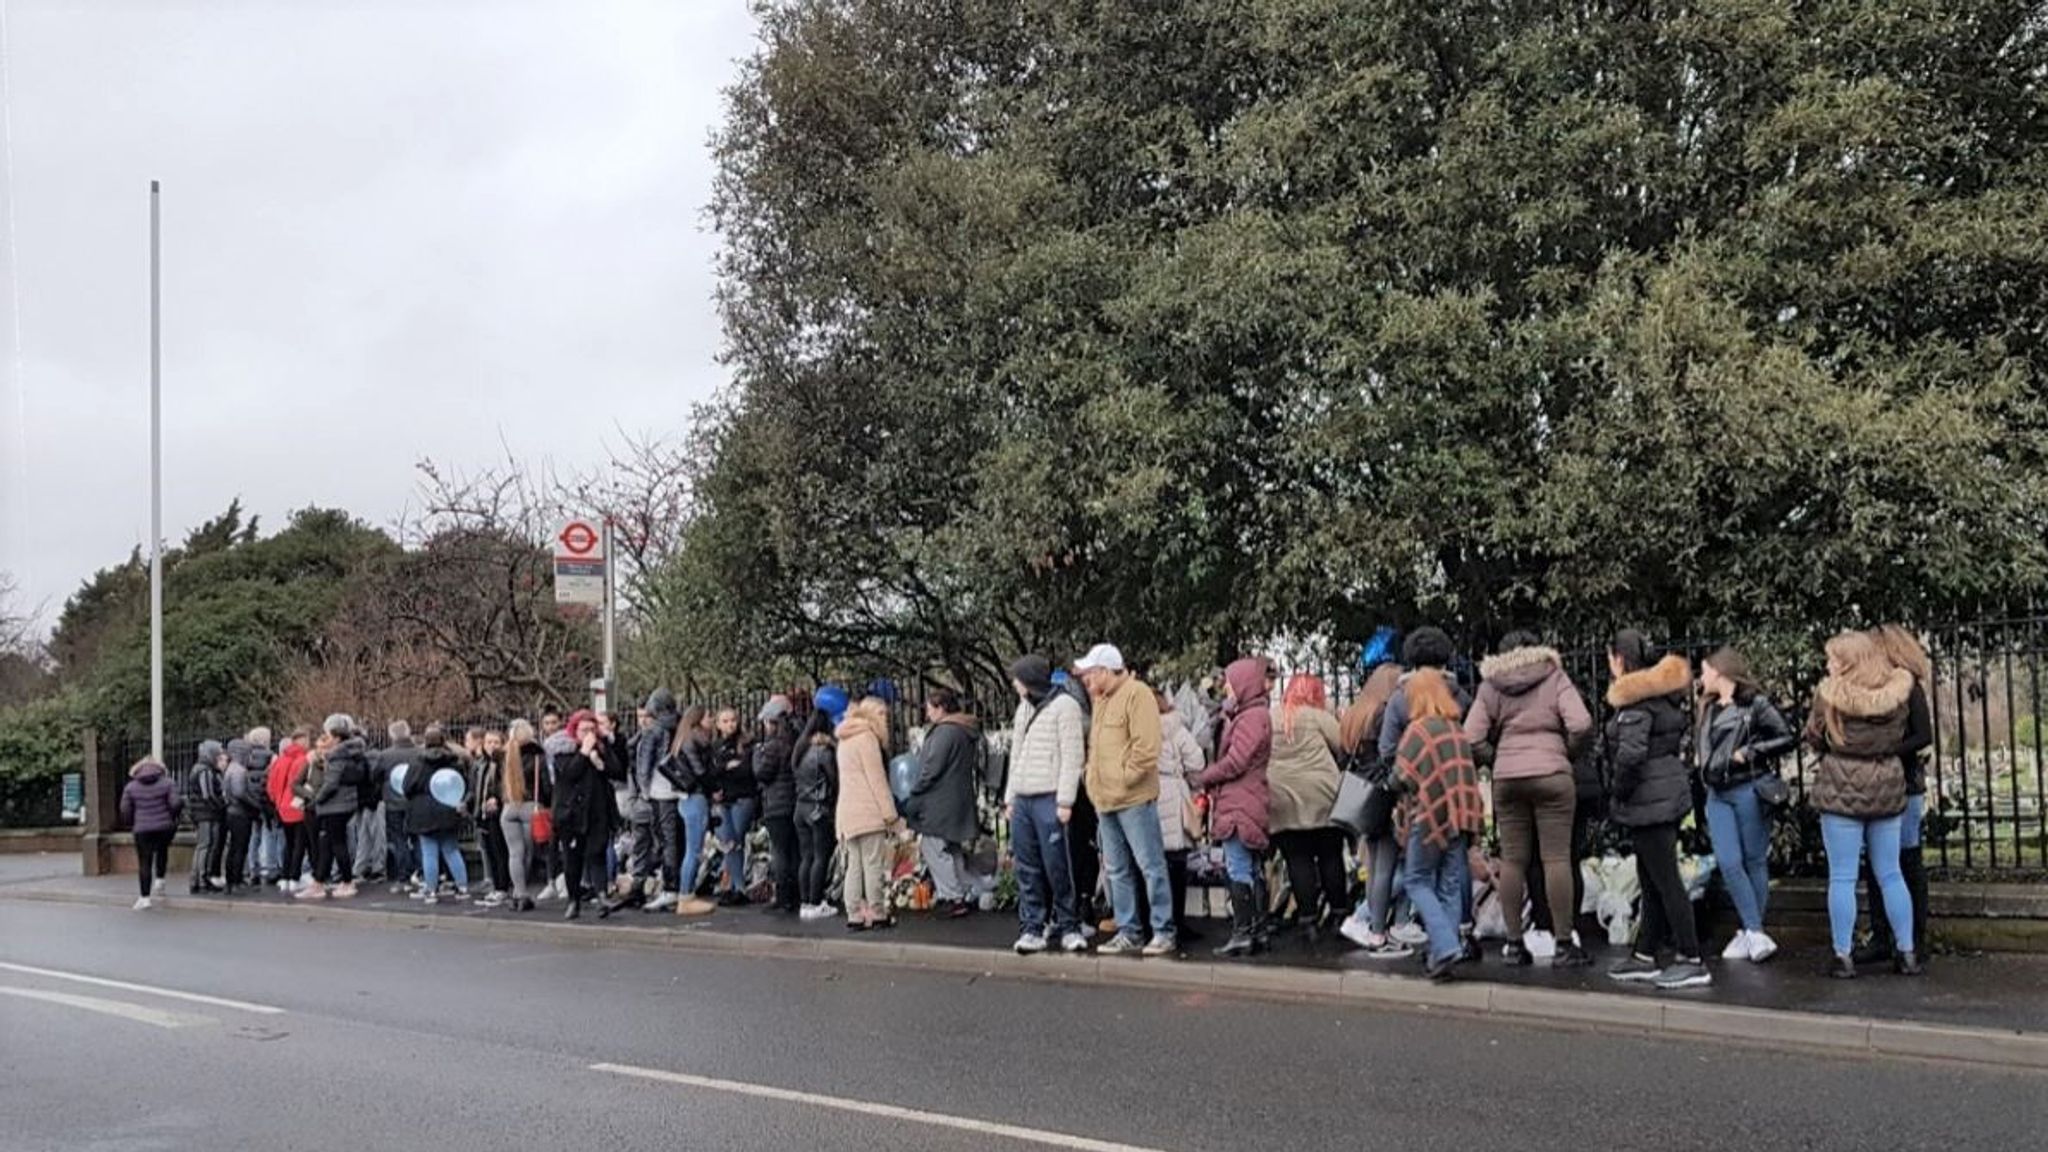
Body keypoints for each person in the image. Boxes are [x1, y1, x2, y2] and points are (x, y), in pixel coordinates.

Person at [1464, 632, 1595, 967]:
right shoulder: (1554, 676)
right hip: (1552, 774)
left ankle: (1514, 945)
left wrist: (1498, 758)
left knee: (1512, 860)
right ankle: (1563, 944)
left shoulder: (1491, 684)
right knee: (1556, 858)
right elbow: (1581, 724)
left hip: (1508, 778)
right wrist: (1564, 753)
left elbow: (1471, 736)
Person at [1804, 631, 1921, 978]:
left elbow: (1815, 736)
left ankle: (1843, 955)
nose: (1828, 665)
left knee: (1842, 877)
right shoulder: (1897, 693)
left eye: (1833, 659)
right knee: (1891, 873)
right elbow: (1904, 735)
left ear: (1848, 662)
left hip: (1841, 788)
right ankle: (1907, 952)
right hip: (1886, 786)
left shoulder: (1829, 696)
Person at [1602, 632, 1709, 990]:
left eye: (1610, 657)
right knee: (1650, 879)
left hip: (1649, 800)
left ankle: (1691, 957)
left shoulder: (1635, 702)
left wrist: (1618, 791)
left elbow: (1631, 756)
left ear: (1619, 659)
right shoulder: (1660, 698)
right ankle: (1645, 953)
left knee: (1666, 880)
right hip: (1665, 794)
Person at [1376, 628, 1473, 955]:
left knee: (1417, 877)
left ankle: (1444, 945)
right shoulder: (1459, 700)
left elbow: (1387, 752)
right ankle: (1453, 941)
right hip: (1459, 798)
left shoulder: (1402, 702)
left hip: (1421, 802)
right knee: (1451, 879)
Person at [1076, 644, 1177, 957]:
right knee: (1117, 869)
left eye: (1090, 673)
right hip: (1107, 800)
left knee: (1149, 866)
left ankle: (1163, 931)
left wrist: (1120, 780)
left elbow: (1146, 749)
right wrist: (1094, 781)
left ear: (1105, 671)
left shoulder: (1137, 694)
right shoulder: (1102, 699)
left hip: (1132, 798)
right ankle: (1130, 931)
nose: (1085, 679)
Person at [1695, 647, 1795, 963]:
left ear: (1720, 672)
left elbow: (1786, 737)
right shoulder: (1707, 707)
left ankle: (1750, 930)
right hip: (1718, 792)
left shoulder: (1755, 704)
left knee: (1754, 860)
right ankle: (1754, 932)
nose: (1701, 677)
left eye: (1705, 670)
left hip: (1749, 788)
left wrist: (1749, 753)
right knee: (1728, 861)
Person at [1391, 670, 1486, 981]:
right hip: (1459, 816)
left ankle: (1444, 946)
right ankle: (1443, 953)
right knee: (1449, 885)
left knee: (1417, 880)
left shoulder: (1418, 731)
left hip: (1429, 815)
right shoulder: (1456, 730)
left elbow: (1400, 777)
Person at [1858, 624, 1933, 967]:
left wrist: (1888, 750)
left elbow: (1923, 735)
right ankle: (1882, 935)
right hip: (1878, 785)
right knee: (1876, 861)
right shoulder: (1876, 689)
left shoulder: (1909, 688)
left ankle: (1914, 938)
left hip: (1905, 784)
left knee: (1906, 859)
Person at [1004, 656, 1087, 953]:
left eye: (1018, 678)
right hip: (1024, 798)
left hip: (1050, 796)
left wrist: (1065, 800)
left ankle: (1069, 925)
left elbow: (1072, 756)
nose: (1015, 684)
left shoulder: (1066, 707)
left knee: (1058, 865)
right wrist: (1010, 797)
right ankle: (1033, 928)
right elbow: (1016, 756)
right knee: (1027, 867)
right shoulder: (1024, 709)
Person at [1196, 657, 1273, 957]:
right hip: (1248, 799)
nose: (1226, 689)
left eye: (1230, 684)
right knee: (1251, 868)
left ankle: (1243, 933)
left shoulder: (1250, 718)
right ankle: (1258, 930)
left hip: (1240, 802)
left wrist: (1205, 777)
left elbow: (1236, 761)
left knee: (1238, 866)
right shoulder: (1252, 714)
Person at [1267, 673, 1350, 937]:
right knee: (1330, 855)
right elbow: (1344, 745)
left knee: (1297, 858)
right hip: (1322, 795)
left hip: (1282, 797)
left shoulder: (1272, 717)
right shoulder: (1317, 716)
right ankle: (1338, 913)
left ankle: (1308, 918)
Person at [1337, 661, 1410, 957]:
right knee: (1386, 867)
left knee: (1376, 865)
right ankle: (1377, 931)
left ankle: (1374, 928)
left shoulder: (1356, 713)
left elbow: (1343, 757)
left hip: (1360, 796)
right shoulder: (1384, 712)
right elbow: (1390, 755)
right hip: (1383, 794)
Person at [906, 687, 983, 919]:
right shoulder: (964, 729)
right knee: (952, 848)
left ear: (941, 708)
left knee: (933, 847)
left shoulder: (944, 732)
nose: (928, 713)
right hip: (958, 797)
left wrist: (916, 789)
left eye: (930, 708)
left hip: (940, 801)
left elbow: (932, 768)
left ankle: (953, 896)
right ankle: (966, 890)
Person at [550, 709, 625, 920]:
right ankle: (573, 900)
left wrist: (601, 763)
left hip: (597, 810)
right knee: (572, 859)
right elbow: (569, 774)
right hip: (572, 812)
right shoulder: (563, 750)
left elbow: (617, 771)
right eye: (584, 730)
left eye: (592, 729)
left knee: (597, 853)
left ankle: (602, 896)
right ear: (575, 730)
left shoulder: (602, 747)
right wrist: (584, 753)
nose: (589, 734)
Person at [836, 696, 901, 930]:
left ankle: (854, 914)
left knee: (854, 865)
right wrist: (890, 814)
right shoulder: (867, 738)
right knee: (873, 864)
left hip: (847, 810)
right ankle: (877, 912)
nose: (885, 719)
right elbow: (877, 780)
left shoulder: (845, 738)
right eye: (881, 713)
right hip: (868, 809)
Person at [1148, 686, 1204, 944]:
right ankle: (1178, 923)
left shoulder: (1137, 728)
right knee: (1176, 866)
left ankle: (1153, 922)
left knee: (1150, 866)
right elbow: (1197, 761)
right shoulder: (1176, 728)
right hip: (1173, 793)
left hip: (1147, 792)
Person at [401, 725, 470, 904]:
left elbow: (407, 787)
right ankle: (462, 887)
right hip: (448, 807)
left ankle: (431, 890)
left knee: (429, 852)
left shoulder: (417, 762)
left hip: (423, 811)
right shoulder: (453, 761)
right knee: (451, 849)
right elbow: (462, 784)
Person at [302, 714, 368, 900]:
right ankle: (319, 882)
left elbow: (331, 784)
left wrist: (317, 800)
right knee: (328, 844)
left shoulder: (338, 756)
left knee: (337, 844)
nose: (325, 739)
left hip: (335, 805)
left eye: (328, 736)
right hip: (342, 803)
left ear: (337, 738)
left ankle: (347, 882)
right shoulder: (350, 753)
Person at [752, 695, 801, 914]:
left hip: (776, 803)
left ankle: (783, 897)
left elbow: (762, 773)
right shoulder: (796, 741)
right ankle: (797, 893)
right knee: (794, 850)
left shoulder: (772, 746)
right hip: (793, 801)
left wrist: (756, 754)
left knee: (779, 851)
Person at [669, 706, 719, 917]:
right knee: (694, 850)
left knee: (693, 849)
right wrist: (715, 787)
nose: (712, 719)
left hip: (687, 797)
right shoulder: (695, 741)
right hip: (696, 797)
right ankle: (686, 896)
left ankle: (687, 894)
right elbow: (701, 772)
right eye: (709, 716)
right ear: (698, 720)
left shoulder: (683, 739)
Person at [792, 706, 840, 921]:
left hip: (801, 806)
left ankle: (805, 902)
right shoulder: (824, 752)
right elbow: (833, 780)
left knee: (807, 856)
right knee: (821, 856)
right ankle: (816, 901)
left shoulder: (800, 749)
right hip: (818, 808)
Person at [639, 690, 684, 911]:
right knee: (679, 839)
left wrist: (644, 791)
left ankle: (670, 888)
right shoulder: (682, 726)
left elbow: (644, 765)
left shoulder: (654, 730)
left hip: (660, 790)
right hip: (682, 790)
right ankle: (681, 885)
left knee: (667, 840)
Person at [498, 719, 549, 912]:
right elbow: (546, 785)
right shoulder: (538, 757)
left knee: (514, 853)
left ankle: (519, 893)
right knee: (527, 853)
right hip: (530, 807)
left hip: (509, 807)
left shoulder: (505, 756)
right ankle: (524, 893)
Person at [711, 707, 758, 907]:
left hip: (742, 797)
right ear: (718, 724)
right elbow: (712, 771)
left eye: (733, 720)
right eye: (725, 721)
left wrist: (725, 769)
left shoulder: (746, 743)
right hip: (723, 799)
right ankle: (735, 887)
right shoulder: (715, 746)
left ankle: (736, 887)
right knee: (729, 843)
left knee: (735, 840)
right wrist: (725, 767)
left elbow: (746, 770)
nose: (730, 724)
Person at [120, 758, 182, 910]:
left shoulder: (131, 787)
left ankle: (145, 898)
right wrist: (172, 817)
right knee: (162, 850)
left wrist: (133, 823)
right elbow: (176, 803)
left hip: (142, 829)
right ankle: (160, 880)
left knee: (144, 861)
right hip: (164, 827)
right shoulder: (168, 783)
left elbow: (125, 810)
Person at [371, 720, 419, 893]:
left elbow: (375, 776)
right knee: (418, 838)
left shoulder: (385, 755)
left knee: (399, 840)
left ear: (392, 736)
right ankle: (421, 873)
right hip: (414, 801)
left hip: (393, 802)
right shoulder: (419, 753)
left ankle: (403, 876)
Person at [470, 728, 512, 905]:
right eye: (489, 742)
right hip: (483, 813)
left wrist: (498, 800)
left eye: (496, 742)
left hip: (498, 813)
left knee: (500, 851)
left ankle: (503, 888)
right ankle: (496, 886)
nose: (492, 746)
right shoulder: (482, 764)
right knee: (490, 852)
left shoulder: (503, 764)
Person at [184, 740, 229, 896]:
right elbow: (207, 794)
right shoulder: (205, 770)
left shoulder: (201, 768)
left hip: (203, 812)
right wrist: (221, 804)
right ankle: (201, 879)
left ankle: (199, 879)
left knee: (205, 845)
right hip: (207, 813)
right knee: (206, 845)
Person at [269, 730, 312, 893]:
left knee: (289, 843)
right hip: (297, 805)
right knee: (300, 844)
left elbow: (271, 785)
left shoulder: (280, 760)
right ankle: (295, 877)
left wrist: (277, 802)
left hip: (282, 807)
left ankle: (285, 877)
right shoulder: (303, 759)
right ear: (302, 741)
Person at [221, 738, 265, 894]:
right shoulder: (239, 770)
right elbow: (240, 793)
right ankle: (236, 881)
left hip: (232, 812)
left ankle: (231, 880)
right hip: (240, 813)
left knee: (234, 848)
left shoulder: (230, 768)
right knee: (240, 848)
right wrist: (255, 804)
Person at [240, 728, 280, 886]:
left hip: (251, 801)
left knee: (254, 835)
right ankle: (270, 867)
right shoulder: (271, 757)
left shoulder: (246, 757)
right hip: (265, 800)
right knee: (269, 832)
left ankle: (253, 868)